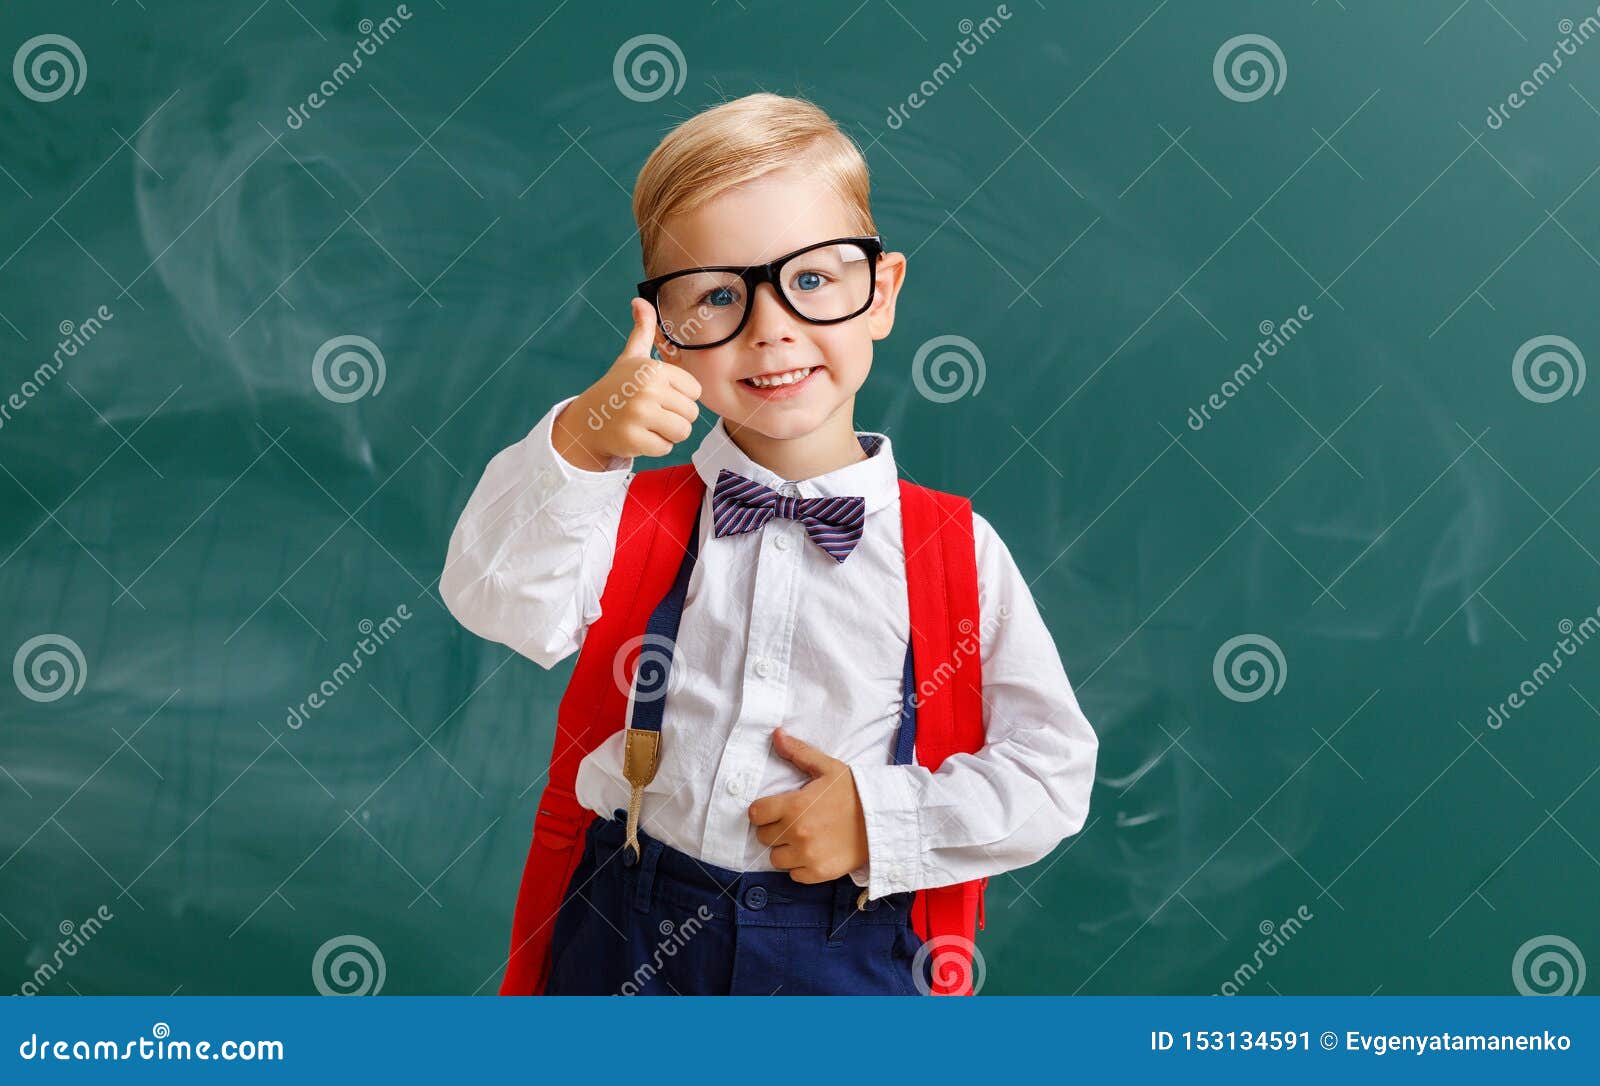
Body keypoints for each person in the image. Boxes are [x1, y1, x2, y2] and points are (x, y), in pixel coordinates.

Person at [441, 92, 1098, 995]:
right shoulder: (628, 512)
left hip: (849, 950)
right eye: (717, 295)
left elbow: (1052, 771)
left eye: (816, 280)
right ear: (664, 332)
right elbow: (496, 600)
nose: (771, 326)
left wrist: (882, 820)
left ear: (885, 294)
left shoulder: (954, 549)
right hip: (625, 932)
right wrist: (584, 442)